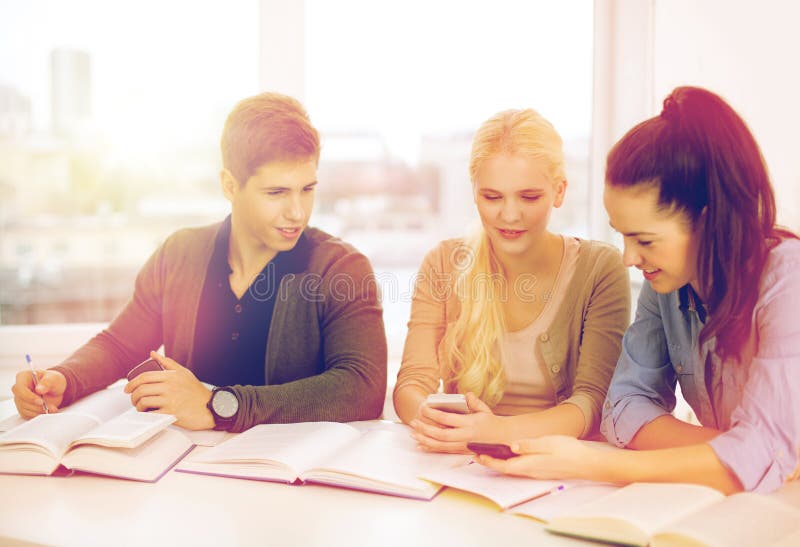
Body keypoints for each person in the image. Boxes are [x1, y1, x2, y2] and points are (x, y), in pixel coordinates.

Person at [477, 86, 800, 494]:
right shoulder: (668, 281)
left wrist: (596, 464)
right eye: (623, 236)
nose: (629, 257)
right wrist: (746, 451)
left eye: (645, 241)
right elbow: (623, 410)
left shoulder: (788, 281)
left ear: (707, 221)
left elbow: (762, 455)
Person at [11, 92, 388, 431]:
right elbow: (120, 344)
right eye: (276, 192)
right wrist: (64, 378)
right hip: (182, 472)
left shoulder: (341, 268)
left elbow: (362, 388)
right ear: (229, 186)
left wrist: (219, 406)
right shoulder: (179, 253)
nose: (297, 212)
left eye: (307, 189)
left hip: (289, 479)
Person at [393, 108, 630, 452]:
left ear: (559, 192)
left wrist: (495, 432)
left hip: (561, 470)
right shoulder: (443, 263)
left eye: (529, 197)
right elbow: (412, 386)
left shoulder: (600, 268)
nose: (509, 215)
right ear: (474, 193)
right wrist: (436, 421)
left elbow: (592, 405)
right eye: (492, 197)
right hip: (464, 465)